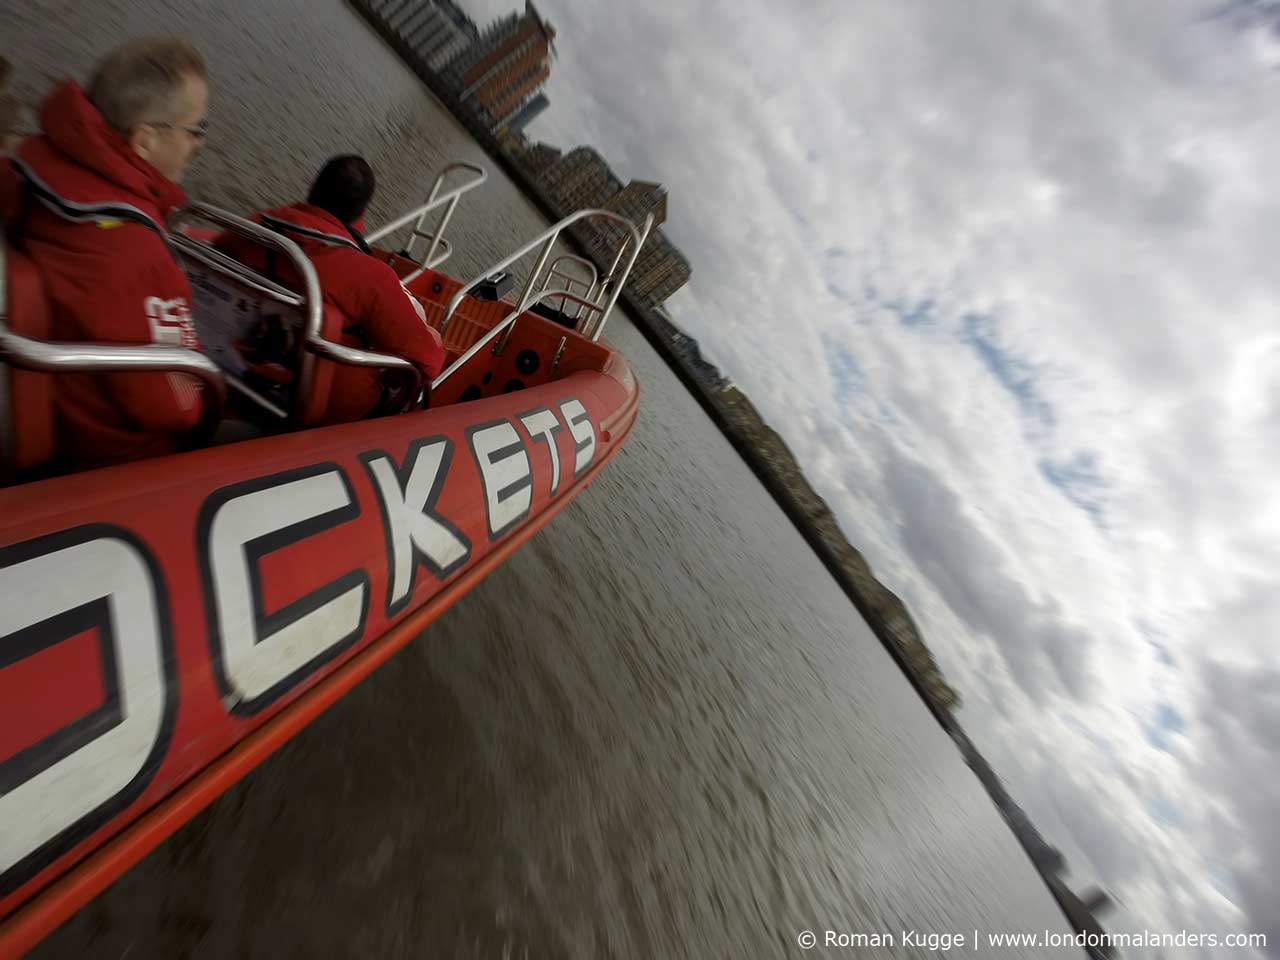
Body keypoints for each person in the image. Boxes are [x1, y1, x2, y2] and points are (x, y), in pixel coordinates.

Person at [1, 38, 211, 468]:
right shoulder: (135, 252)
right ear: (147, 140)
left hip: (49, 403)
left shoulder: (27, 165)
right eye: (195, 130)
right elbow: (174, 405)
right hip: (104, 461)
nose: (199, 145)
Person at [217, 155, 445, 423]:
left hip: (227, 365)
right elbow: (428, 361)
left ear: (313, 187)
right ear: (362, 213)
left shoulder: (251, 227)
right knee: (429, 343)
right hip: (311, 410)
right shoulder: (368, 276)